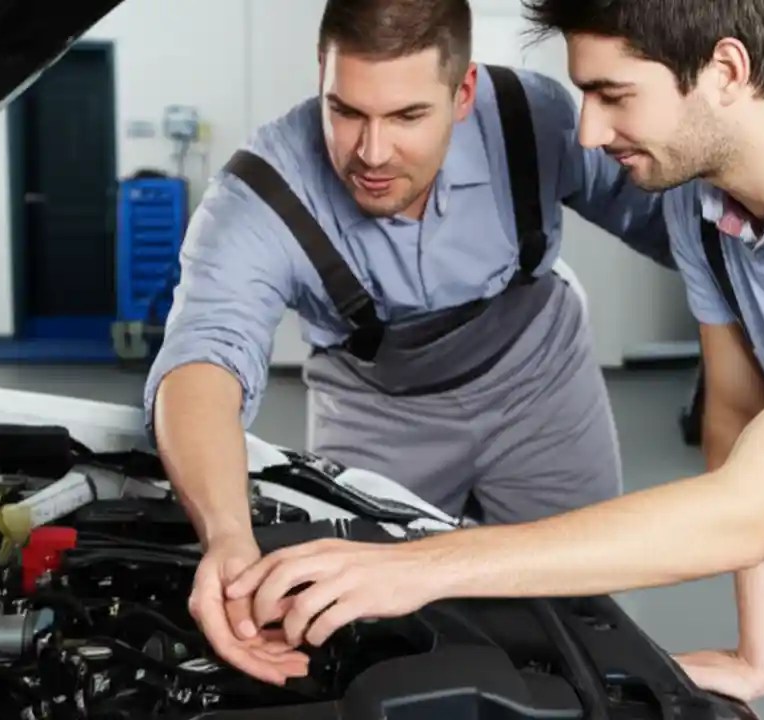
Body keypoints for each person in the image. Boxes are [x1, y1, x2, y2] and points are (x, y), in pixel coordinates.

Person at [221, 0, 764, 716]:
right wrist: (758, 653)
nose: (585, 131)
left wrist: (420, 569)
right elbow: (742, 421)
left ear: (725, 68)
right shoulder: (704, 207)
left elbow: (745, 508)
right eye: (584, 93)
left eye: (613, 95)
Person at [144, 0, 674, 687]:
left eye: (406, 117)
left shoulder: (530, 116)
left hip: (541, 386)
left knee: (580, 618)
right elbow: (200, 362)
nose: (371, 152)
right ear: (321, 76)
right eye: (346, 111)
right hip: (376, 408)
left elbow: (673, 222)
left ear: (463, 94)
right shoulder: (259, 193)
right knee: (353, 628)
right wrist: (225, 534)